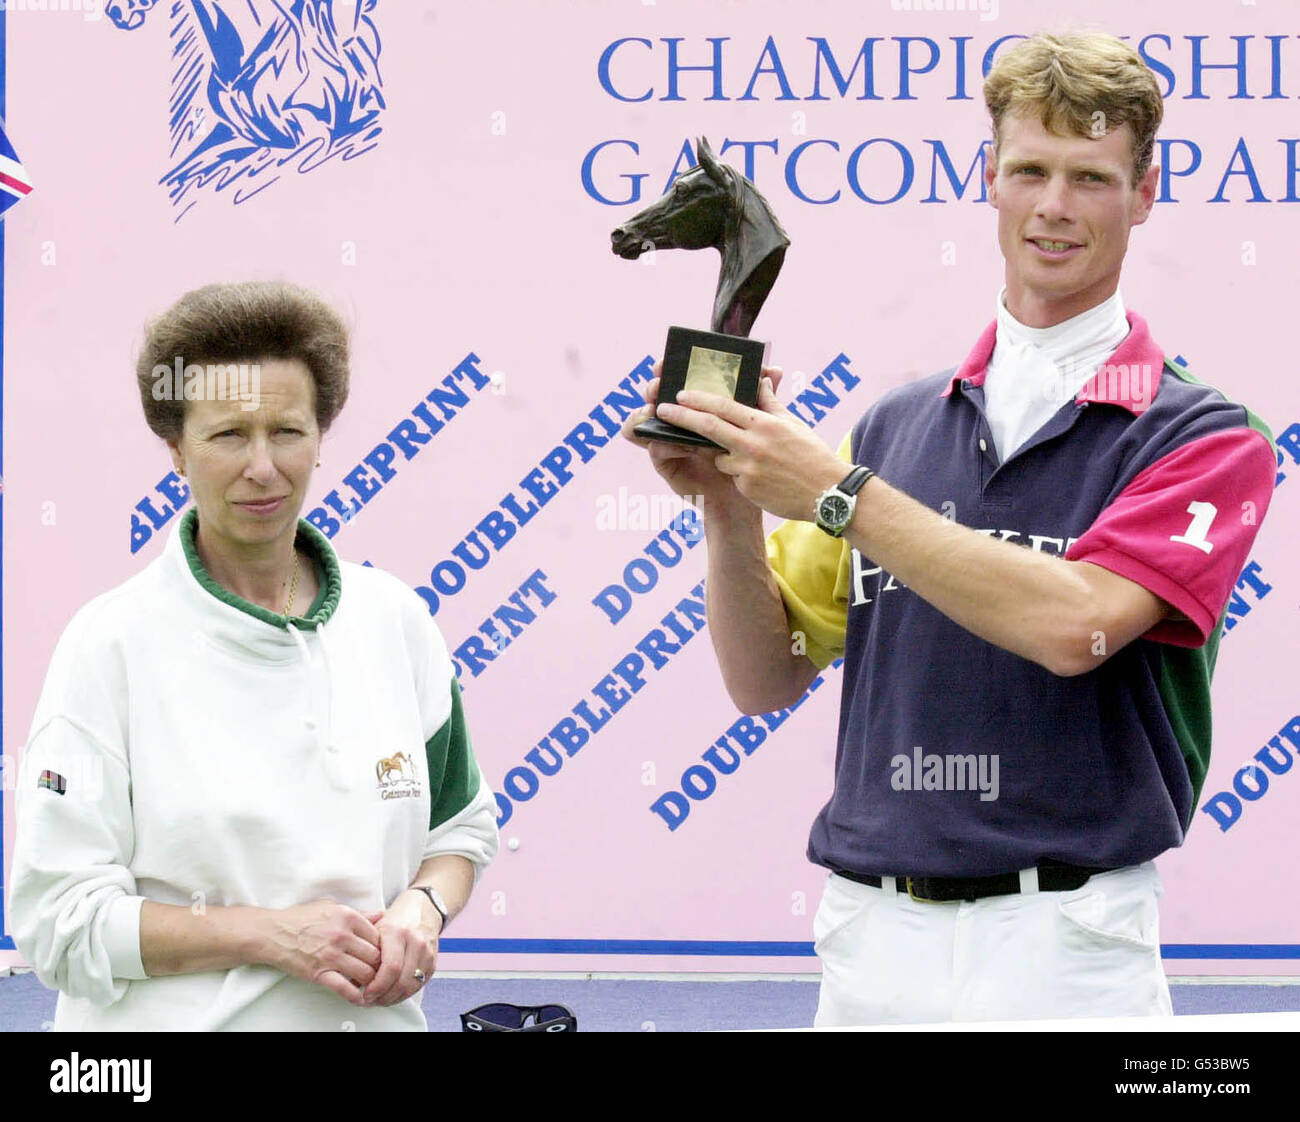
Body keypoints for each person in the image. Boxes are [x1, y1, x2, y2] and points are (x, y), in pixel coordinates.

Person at [623, 31, 1277, 1025]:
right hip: (872, 942)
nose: (1054, 207)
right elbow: (763, 680)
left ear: (1145, 193)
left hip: (1067, 949)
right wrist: (728, 501)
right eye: (1030, 170)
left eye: (1090, 178)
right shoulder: (893, 425)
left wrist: (841, 494)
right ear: (989, 179)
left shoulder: (1205, 436)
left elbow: (1076, 629)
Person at [11, 281, 499, 1031]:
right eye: (229, 434)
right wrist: (271, 936)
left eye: (288, 431)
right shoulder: (107, 646)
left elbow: (459, 832)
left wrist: (422, 911)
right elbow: (57, 925)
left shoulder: (395, 621)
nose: (264, 467)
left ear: (320, 439)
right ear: (175, 449)